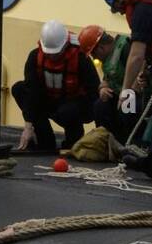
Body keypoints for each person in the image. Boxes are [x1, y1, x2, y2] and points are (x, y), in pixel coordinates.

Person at [12, 19, 99, 153]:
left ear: (65, 45)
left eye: (56, 53)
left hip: (72, 106)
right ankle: (45, 140)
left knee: (68, 112)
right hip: (48, 101)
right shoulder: (35, 57)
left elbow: (94, 91)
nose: (52, 57)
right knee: (19, 89)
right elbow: (32, 92)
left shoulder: (81, 59)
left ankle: (72, 142)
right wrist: (28, 126)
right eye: (49, 54)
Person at [100, 0, 152, 146]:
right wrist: (144, 71)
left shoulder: (141, 10)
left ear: (120, 0)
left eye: (118, 9)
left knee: (130, 112)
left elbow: (137, 55)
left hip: (133, 94)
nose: (122, 13)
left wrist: (125, 91)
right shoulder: (146, 3)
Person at [78, 24, 136, 142]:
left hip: (134, 95)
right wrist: (103, 89)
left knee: (127, 109)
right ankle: (107, 142)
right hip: (120, 95)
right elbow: (108, 78)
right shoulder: (108, 58)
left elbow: (137, 71)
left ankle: (129, 143)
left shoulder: (125, 48)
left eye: (94, 54)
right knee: (100, 106)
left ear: (101, 48)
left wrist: (127, 93)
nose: (95, 58)